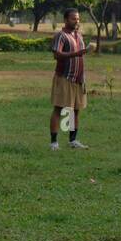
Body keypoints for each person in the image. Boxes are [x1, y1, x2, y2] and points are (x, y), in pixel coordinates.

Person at [50, 8, 88, 150]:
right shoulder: (61, 35)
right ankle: (54, 142)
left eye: (78, 19)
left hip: (78, 78)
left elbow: (81, 55)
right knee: (60, 109)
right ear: (66, 20)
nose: (76, 21)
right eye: (73, 19)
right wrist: (75, 54)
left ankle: (73, 140)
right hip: (65, 77)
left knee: (75, 110)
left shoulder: (79, 36)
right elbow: (57, 54)